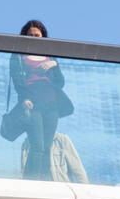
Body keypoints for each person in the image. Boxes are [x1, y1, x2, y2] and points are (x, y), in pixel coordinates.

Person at [8, 20, 72, 180]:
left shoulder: (50, 56)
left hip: (51, 104)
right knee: (37, 145)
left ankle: (44, 180)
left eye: (37, 35)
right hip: (32, 104)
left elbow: (60, 82)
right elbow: (16, 79)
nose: (34, 38)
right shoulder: (18, 56)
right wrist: (24, 98)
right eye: (30, 35)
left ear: (43, 37)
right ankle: (31, 181)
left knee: (47, 146)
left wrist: (53, 65)